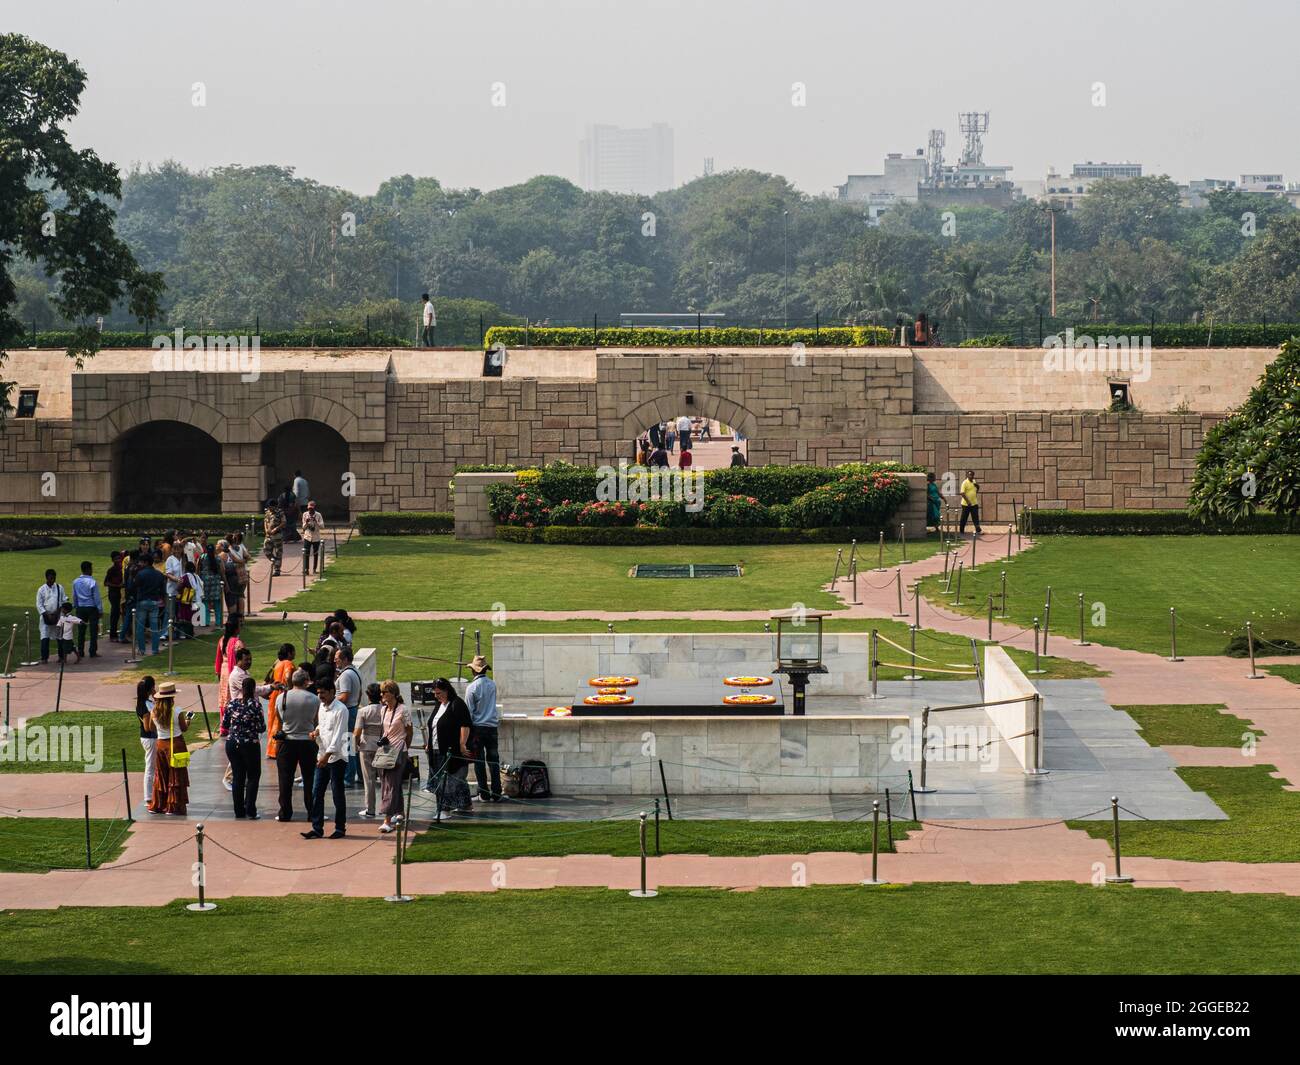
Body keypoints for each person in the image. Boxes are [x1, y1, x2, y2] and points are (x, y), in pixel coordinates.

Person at [303, 679, 349, 839]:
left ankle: (340, 828)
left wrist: (327, 756)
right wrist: (315, 732)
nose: (319, 695)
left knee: (337, 793)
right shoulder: (322, 707)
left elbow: (338, 736)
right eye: (318, 692)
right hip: (322, 755)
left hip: (336, 758)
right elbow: (323, 726)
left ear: (332, 692)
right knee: (317, 792)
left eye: (322, 692)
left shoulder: (341, 710)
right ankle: (317, 828)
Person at [275, 668, 319, 822]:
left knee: (285, 779)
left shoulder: (282, 697)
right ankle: (311, 811)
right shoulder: (314, 699)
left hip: (288, 741)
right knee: (309, 778)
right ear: (306, 681)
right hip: (307, 741)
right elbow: (316, 721)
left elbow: (280, 718)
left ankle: (285, 812)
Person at [427, 677, 473, 816]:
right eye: (435, 693)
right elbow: (434, 725)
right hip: (435, 748)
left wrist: (462, 743)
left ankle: (444, 809)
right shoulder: (439, 704)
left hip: (450, 750)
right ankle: (465, 805)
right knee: (446, 779)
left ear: (447, 690)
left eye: (439, 693)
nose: (437, 696)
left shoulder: (457, 704)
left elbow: (465, 725)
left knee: (447, 780)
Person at [224, 675, 266, 819]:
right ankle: (250, 809)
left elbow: (224, 725)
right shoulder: (255, 705)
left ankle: (239, 811)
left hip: (232, 743)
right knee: (253, 776)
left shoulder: (232, 704)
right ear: (254, 689)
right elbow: (261, 727)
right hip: (249, 744)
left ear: (241, 688)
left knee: (238, 777)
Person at [377, 679, 413, 835]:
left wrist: (405, 747)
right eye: (382, 692)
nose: (382, 694)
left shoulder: (403, 710)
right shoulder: (383, 710)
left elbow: (409, 731)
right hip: (386, 750)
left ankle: (387, 819)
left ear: (393, 693)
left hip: (399, 751)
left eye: (385, 691)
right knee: (391, 782)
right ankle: (400, 812)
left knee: (390, 783)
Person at [150, 681, 191, 816]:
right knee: (176, 776)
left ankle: (158, 805)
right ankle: (173, 806)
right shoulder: (177, 711)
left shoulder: (154, 711)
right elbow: (184, 728)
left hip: (161, 744)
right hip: (176, 744)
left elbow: (151, 728)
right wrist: (189, 720)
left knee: (161, 775)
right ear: (172, 697)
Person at [465, 656, 501, 802]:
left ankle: (484, 793)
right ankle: (497, 793)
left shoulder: (472, 688)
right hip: (492, 727)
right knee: (494, 761)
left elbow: (469, 712)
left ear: (473, 671)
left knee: (479, 762)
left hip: (478, 729)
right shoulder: (492, 684)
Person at [352, 682, 384, 818]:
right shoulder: (385, 709)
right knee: (384, 779)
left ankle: (370, 809)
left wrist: (357, 745)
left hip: (366, 747)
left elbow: (357, 732)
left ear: (368, 695)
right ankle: (386, 808)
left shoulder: (363, 711)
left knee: (369, 780)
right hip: (382, 746)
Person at [333, 645, 363, 788]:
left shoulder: (345, 675)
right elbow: (360, 693)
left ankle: (348, 777)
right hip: (354, 709)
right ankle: (360, 775)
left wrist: (330, 701)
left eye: (337, 658)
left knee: (348, 745)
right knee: (354, 745)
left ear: (345, 659)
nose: (335, 660)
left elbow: (344, 696)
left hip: (348, 710)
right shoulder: (356, 671)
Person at [266, 643, 297, 762]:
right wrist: (290, 688)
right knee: (279, 723)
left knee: (272, 721)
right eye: (293, 651)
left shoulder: (277, 663)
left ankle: (270, 750)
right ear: (289, 653)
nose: (294, 654)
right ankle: (276, 750)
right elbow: (288, 676)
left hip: (274, 693)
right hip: (283, 694)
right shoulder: (288, 663)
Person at [133, 553, 167, 657]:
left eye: (141, 562)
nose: (139, 564)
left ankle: (142, 649)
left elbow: (134, 587)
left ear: (146, 562)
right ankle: (155, 649)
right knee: (154, 627)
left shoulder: (140, 574)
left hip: (142, 601)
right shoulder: (159, 574)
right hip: (154, 601)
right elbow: (163, 590)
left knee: (140, 627)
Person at [135, 676, 158, 812]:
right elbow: (148, 727)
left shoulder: (148, 701)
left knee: (154, 767)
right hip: (149, 738)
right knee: (150, 767)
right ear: (150, 688)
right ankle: (148, 798)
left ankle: (154, 795)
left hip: (152, 738)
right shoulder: (144, 705)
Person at [71, 560, 102, 659]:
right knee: (93, 631)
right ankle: (92, 651)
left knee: (81, 631)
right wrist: (100, 609)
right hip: (91, 608)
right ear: (88, 569)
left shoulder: (76, 582)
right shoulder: (92, 582)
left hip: (80, 608)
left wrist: (75, 605)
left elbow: (74, 596)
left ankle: (80, 651)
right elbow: (96, 597)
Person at [36, 569, 66, 664]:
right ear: (46, 578)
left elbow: (63, 600)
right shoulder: (41, 589)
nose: (52, 580)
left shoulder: (59, 587)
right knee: (45, 636)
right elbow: (39, 604)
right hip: (46, 616)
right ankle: (44, 658)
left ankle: (61, 657)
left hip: (57, 615)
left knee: (59, 636)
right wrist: (46, 614)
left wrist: (58, 612)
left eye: (54, 578)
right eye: (50, 578)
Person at [200, 542, 224, 630]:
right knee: (217, 602)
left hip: (205, 581)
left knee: (205, 602)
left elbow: (198, 568)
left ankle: (205, 621)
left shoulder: (202, 557)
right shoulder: (217, 558)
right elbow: (222, 570)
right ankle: (218, 621)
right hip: (215, 581)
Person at [301, 500, 325, 575]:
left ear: (314, 508)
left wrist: (316, 521)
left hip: (316, 537)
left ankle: (314, 569)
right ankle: (306, 569)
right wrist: (307, 522)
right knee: (306, 553)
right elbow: (303, 528)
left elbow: (322, 527)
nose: (310, 510)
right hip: (307, 536)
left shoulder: (318, 515)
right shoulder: (305, 514)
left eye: (311, 509)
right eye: (309, 508)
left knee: (315, 553)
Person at [104, 551, 124, 643]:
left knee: (119, 613)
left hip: (120, 593)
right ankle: (113, 634)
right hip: (113, 594)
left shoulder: (122, 568)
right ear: (112, 560)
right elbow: (106, 583)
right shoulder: (111, 570)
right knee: (115, 613)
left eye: (119, 558)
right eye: (116, 559)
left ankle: (118, 633)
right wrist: (117, 586)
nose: (118, 560)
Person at [262, 500, 285, 577]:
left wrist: (276, 529)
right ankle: (275, 562)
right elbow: (265, 521)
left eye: (270, 507)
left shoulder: (280, 513)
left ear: (274, 506)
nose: (269, 508)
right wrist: (266, 530)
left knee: (278, 552)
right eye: (268, 507)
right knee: (266, 551)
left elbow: (284, 522)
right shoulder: (268, 512)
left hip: (277, 536)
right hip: (268, 536)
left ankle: (277, 570)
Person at [959, 470, 983, 535]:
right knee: (964, 518)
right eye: (970, 475)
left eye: (972, 475)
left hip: (974, 503)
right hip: (966, 504)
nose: (971, 476)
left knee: (975, 517)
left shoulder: (974, 481)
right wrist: (968, 501)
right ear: (967, 475)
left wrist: (977, 487)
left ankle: (978, 530)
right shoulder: (965, 483)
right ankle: (961, 531)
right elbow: (962, 493)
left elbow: (976, 490)